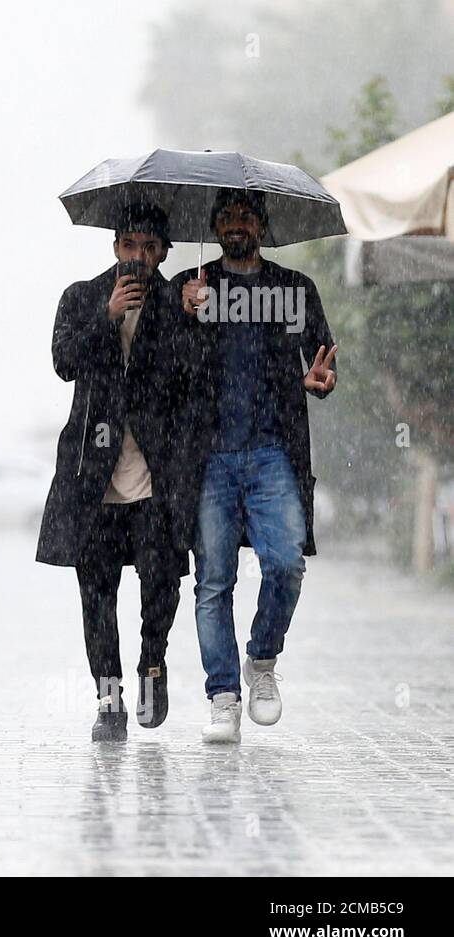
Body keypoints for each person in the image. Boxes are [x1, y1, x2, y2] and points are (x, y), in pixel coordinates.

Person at [174, 188, 338, 744]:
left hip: (273, 452)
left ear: (263, 226)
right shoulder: (192, 288)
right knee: (213, 581)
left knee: (286, 564)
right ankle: (223, 695)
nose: (235, 223)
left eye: (246, 215)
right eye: (225, 216)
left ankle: (262, 661)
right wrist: (184, 313)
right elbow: (161, 364)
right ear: (214, 226)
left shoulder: (295, 289)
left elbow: (321, 362)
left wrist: (320, 383)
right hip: (210, 456)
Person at [36, 203, 191, 742]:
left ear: (165, 252)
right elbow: (64, 362)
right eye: (131, 246)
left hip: (155, 475)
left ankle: (153, 665)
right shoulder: (81, 297)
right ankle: (109, 700)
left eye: (151, 248)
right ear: (116, 247)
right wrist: (107, 316)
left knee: (161, 582)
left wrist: (190, 318)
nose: (140, 258)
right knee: (97, 595)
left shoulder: (178, 302)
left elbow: (194, 379)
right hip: (93, 476)